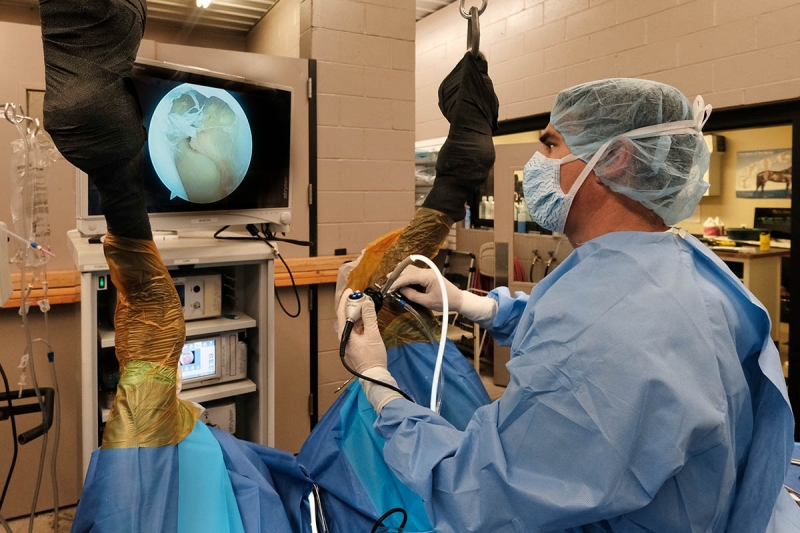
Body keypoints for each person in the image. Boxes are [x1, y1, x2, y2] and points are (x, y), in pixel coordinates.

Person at [337, 78, 800, 532]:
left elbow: (476, 493)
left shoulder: (603, 329)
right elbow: (595, 337)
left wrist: (380, 386)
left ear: (614, 159)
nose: (537, 163)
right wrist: (472, 305)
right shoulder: (683, 266)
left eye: (551, 145)